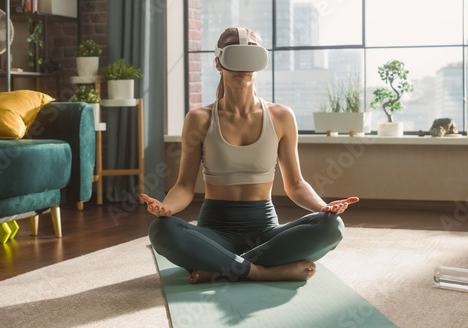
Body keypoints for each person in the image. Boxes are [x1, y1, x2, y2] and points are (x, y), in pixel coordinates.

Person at [141, 26, 358, 283]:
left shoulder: (281, 116)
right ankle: (262, 271)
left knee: (332, 227)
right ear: (219, 63)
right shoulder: (199, 119)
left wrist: (323, 207)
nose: (243, 65)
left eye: (251, 55)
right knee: (163, 230)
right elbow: (185, 186)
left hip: (265, 231)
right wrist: (166, 208)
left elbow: (296, 184)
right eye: (235, 54)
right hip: (214, 231)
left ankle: (219, 265)